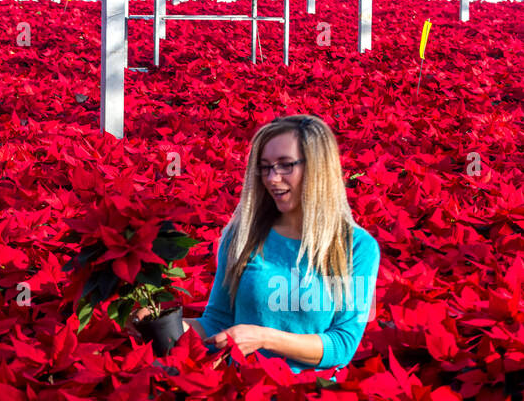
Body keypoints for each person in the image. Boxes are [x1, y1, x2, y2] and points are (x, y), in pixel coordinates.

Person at [149, 114, 380, 375]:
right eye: (265, 167)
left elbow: (342, 344)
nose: (272, 178)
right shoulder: (242, 236)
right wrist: (159, 322)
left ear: (318, 169)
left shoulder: (356, 247)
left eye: (285, 166)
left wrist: (264, 338)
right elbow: (219, 321)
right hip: (242, 394)